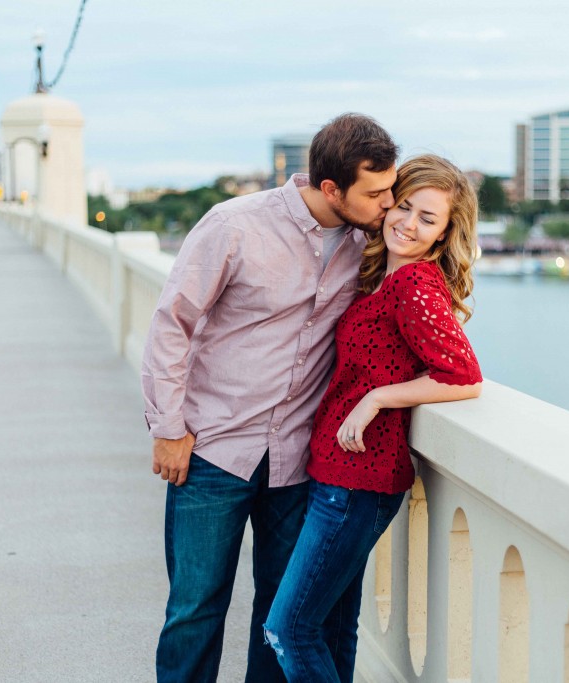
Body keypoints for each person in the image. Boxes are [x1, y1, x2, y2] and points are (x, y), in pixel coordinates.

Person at [141, 113, 399, 683]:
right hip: (211, 452)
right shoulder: (233, 225)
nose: (388, 203)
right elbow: (171, 325)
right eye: (377, 192)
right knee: (194, 611)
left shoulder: (372, 244)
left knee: (278, 619)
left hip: (298, 462)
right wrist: (167, 427)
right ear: (330, 188)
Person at [263, 154, 483, 682]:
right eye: (403, 207)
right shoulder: (384, 274)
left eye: (427, 218)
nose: (408, 223)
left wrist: (380, 397)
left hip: (357, 483)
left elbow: (464, 376)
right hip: (337, 474)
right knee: (334, 627)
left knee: (287, 628)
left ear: (445, 231)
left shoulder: (415, 286)